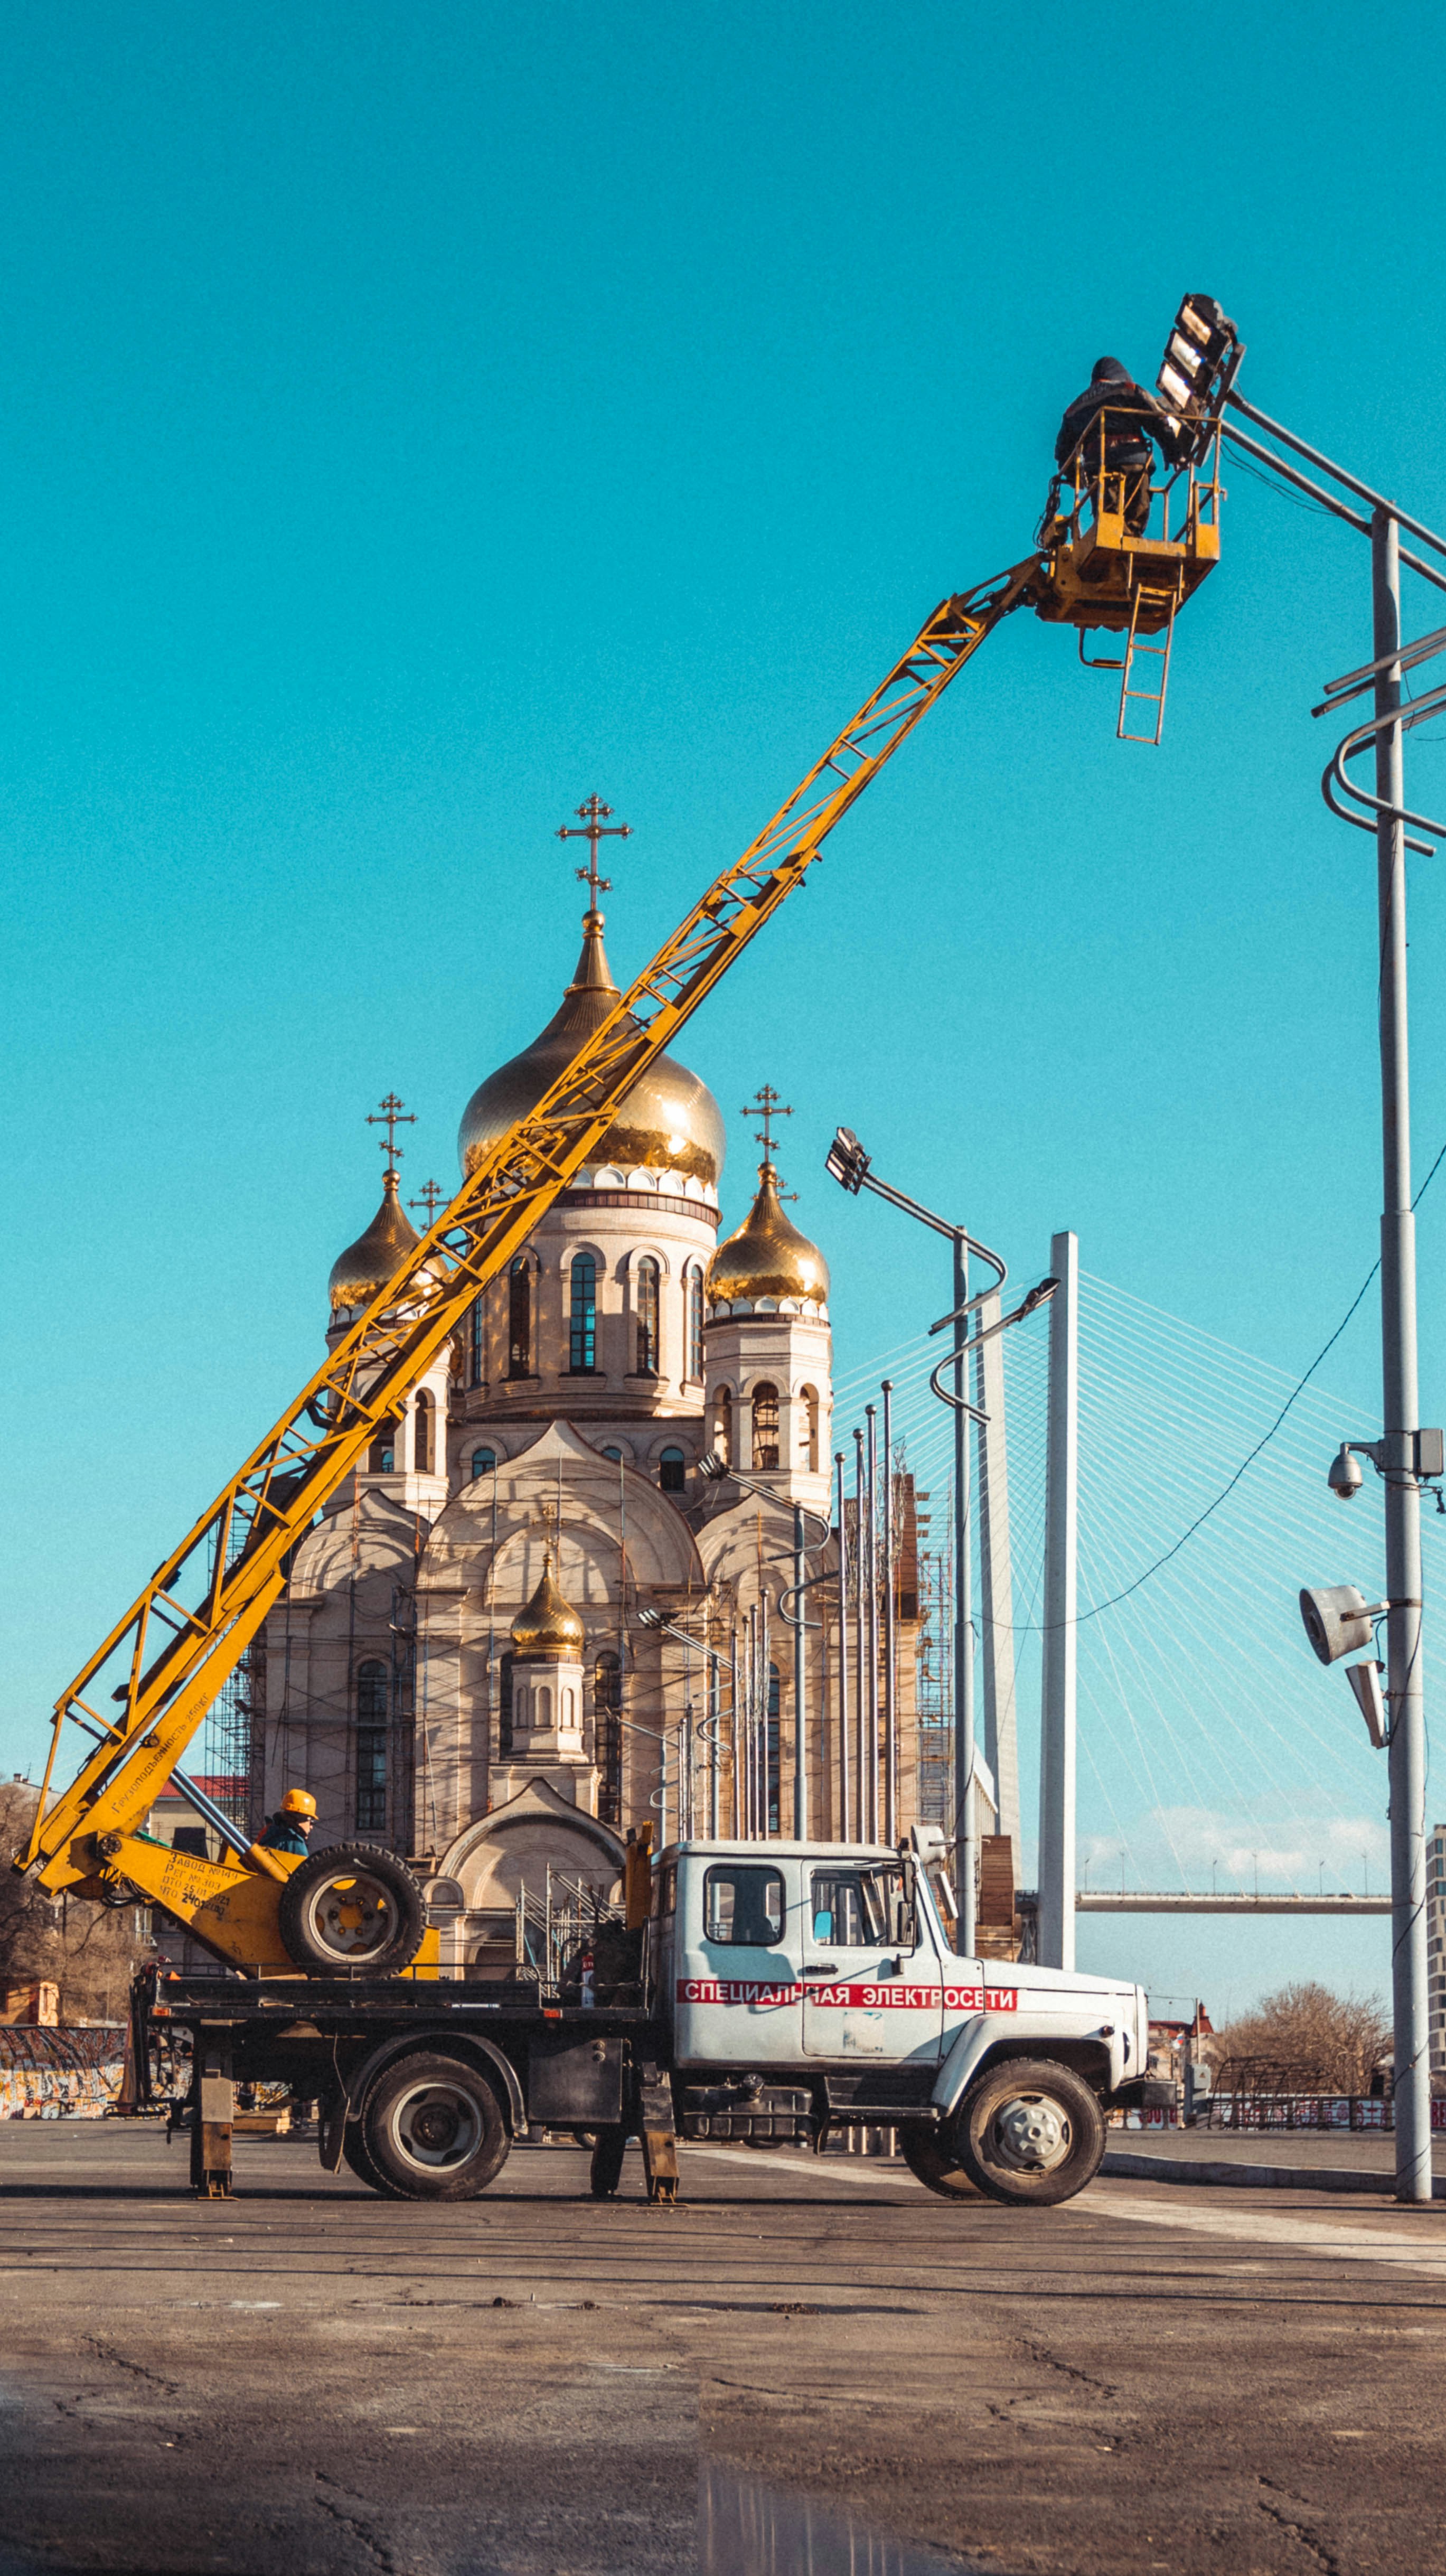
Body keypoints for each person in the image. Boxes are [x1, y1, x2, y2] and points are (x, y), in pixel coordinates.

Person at [1053, 356, 1180, 537]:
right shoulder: (1129, 390)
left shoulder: (1075, 408)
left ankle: (1115, 537)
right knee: (1135, 518)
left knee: (1108, 522)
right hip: (1135, 463)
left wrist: (1075, 477)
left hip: (1100, 468)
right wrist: (1173, 452)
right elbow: (1157, 420)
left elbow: (1063, 451)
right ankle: (1132, 538)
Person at [258, 1787, 318, 1855]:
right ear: (299, 1819)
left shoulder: (270, 1833)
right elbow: (306, 1865)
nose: (311, 1827)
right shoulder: (295, 1843)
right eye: (311, 1822)